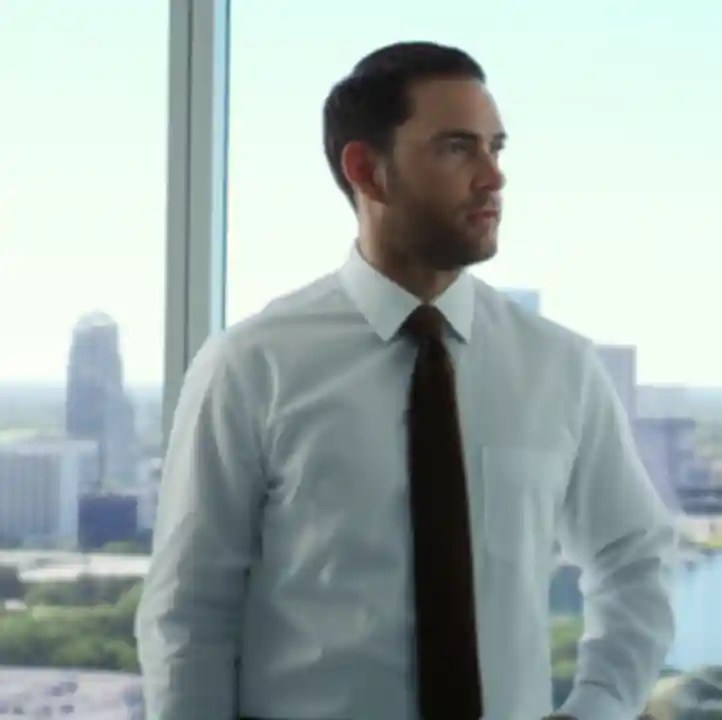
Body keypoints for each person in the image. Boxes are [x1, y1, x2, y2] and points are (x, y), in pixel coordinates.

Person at [135, 40, 677, 720]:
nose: (494, 178)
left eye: (496, 148)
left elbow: (634, 557)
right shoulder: (250, 366)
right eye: (457, 148)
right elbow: (189, 615)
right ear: (367, 169)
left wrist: (598, 706)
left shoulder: (560, 367)